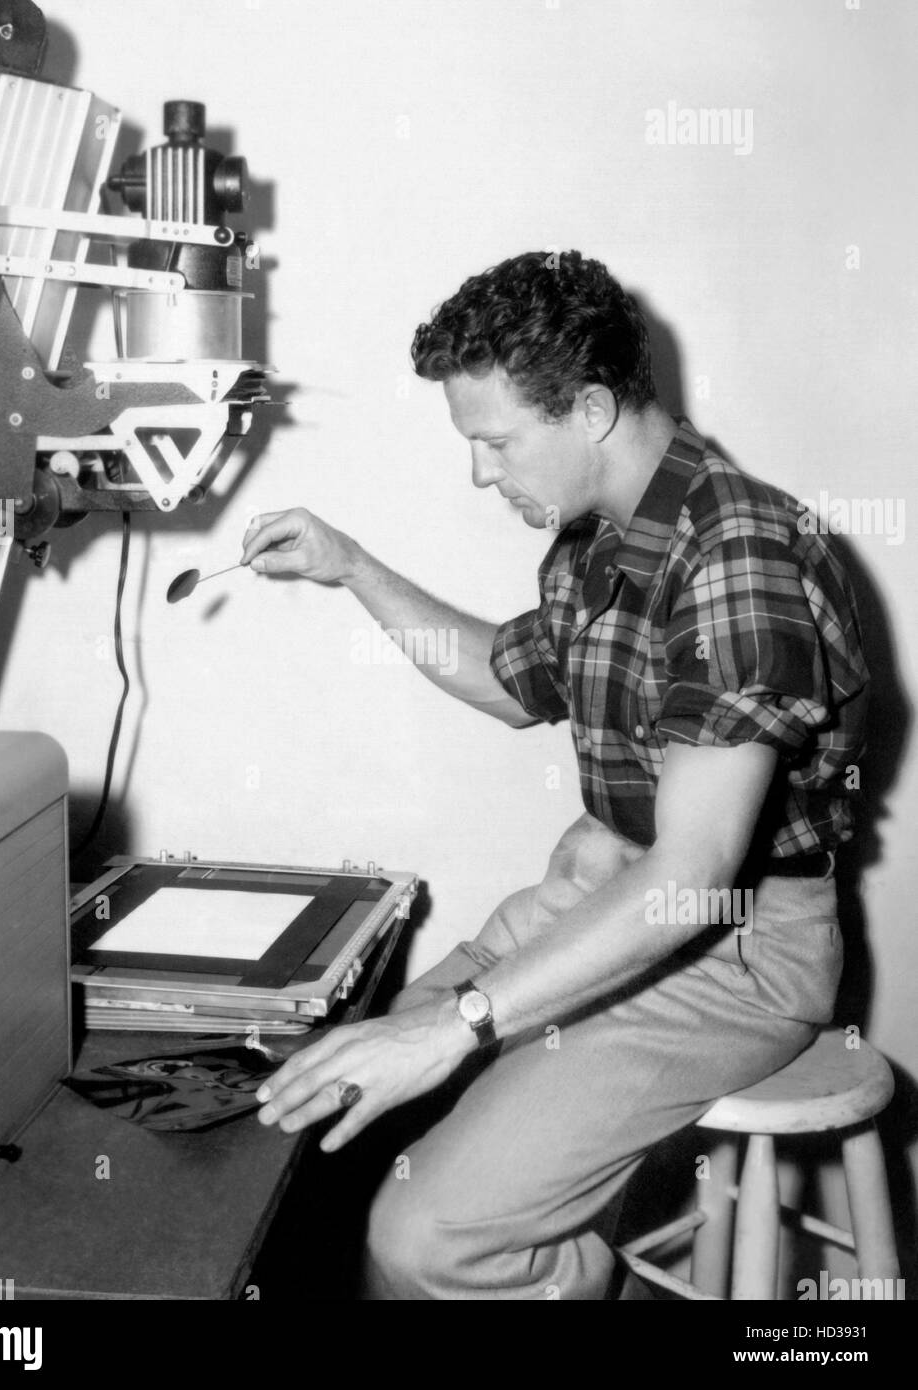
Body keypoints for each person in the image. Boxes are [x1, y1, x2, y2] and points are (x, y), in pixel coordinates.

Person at [242, 250, 869, 1299]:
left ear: (585, 407)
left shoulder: (733, 553)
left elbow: (694, 871)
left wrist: (461, 1021)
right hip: (598, 887)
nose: (482, 474)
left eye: (494, 442)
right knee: (326, 1075)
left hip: (730, 947)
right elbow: (507, 677)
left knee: (422, 1235)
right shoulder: (600, 541)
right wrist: (351, 566)